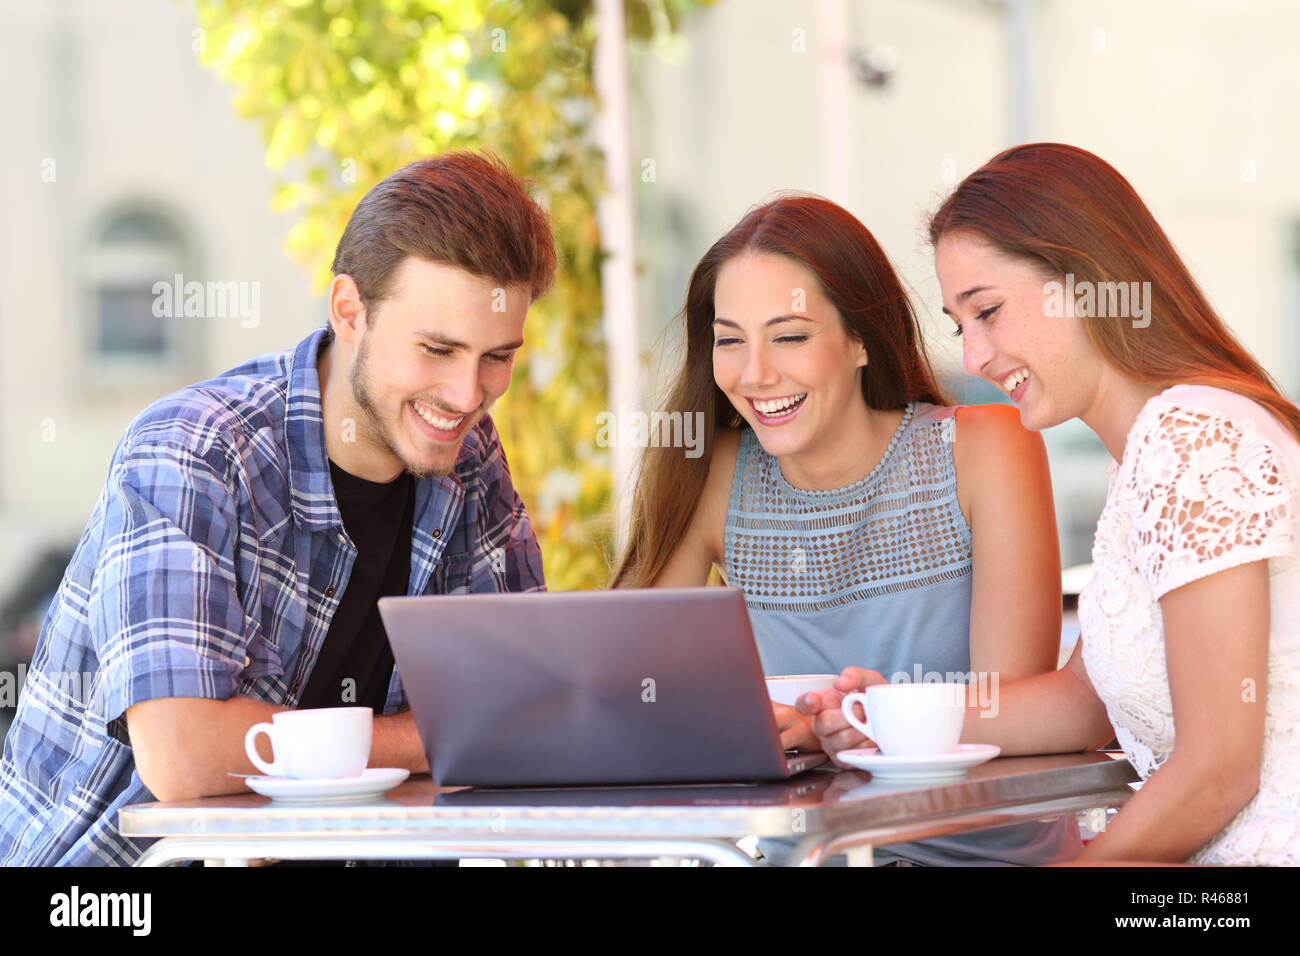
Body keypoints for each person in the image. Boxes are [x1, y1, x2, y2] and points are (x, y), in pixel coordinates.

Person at [0, 151, 554, 865]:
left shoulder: (467, 459)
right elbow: (183, 756)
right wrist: (423, 737)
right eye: (438, 349)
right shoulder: (195, 451)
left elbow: (530, 707)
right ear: (349, 310)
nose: (466, 393)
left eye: (497, 358)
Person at [802, 142, 1300, 865]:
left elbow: (1219, 769)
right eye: (958, 324)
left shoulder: (1192, 440)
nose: (972, 357)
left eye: (989, 311)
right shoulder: (1151, 451)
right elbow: (1085, 701)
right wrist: (895, 719)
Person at [612, 195, 1081, 865]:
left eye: (790, 335)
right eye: (730, 340)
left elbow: (1008, 714)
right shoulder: (715, 472)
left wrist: (846, 727)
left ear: (861, 338)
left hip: (977, 854)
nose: (755, 374)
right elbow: (634, 686)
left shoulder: (983, 449)